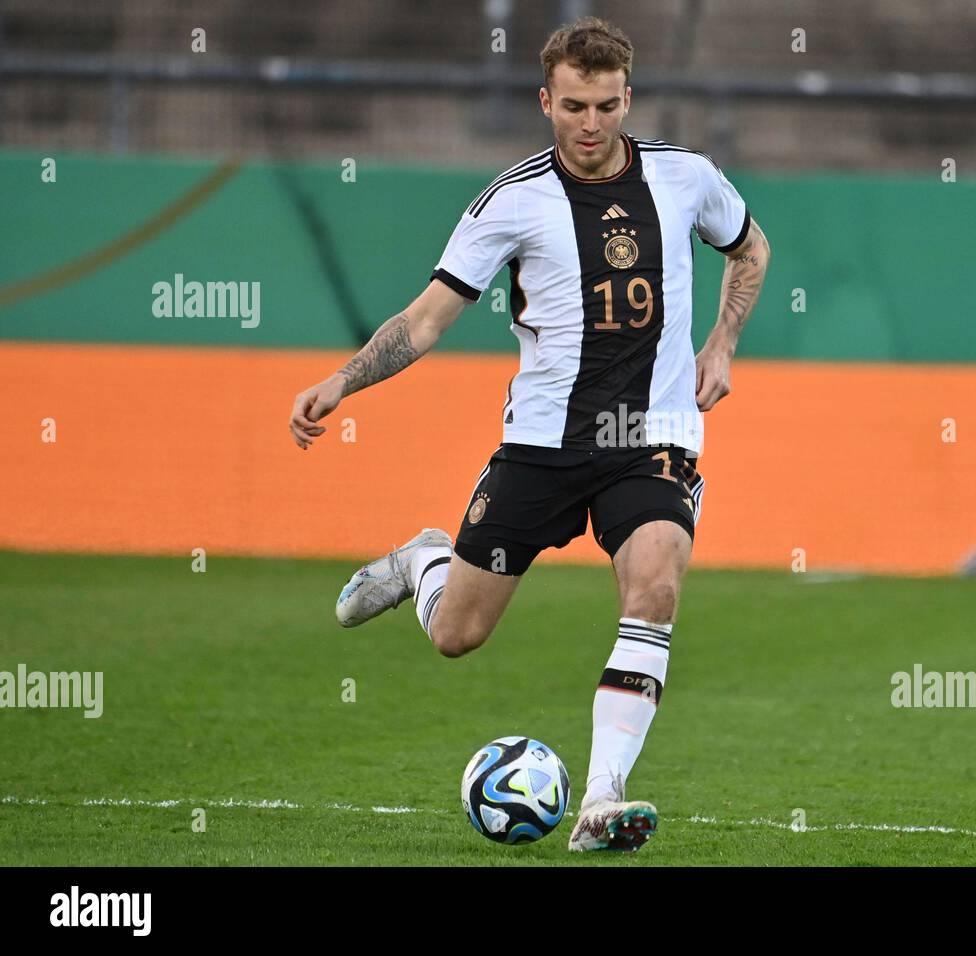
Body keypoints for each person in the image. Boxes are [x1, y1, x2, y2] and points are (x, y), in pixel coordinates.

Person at [288, 16, 771, 852]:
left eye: (608, 106)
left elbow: (751, 248)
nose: (592, 125)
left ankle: (603, 799)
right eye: (575, 106)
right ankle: (423, 559)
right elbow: (427, 319)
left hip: (649, 436)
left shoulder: (687, 179)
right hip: (542, 446)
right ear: (546, 100)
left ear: (630, 99)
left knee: (654, 586)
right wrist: (343, 379)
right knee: (457, 636)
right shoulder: (511, 202)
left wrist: (722, 343)